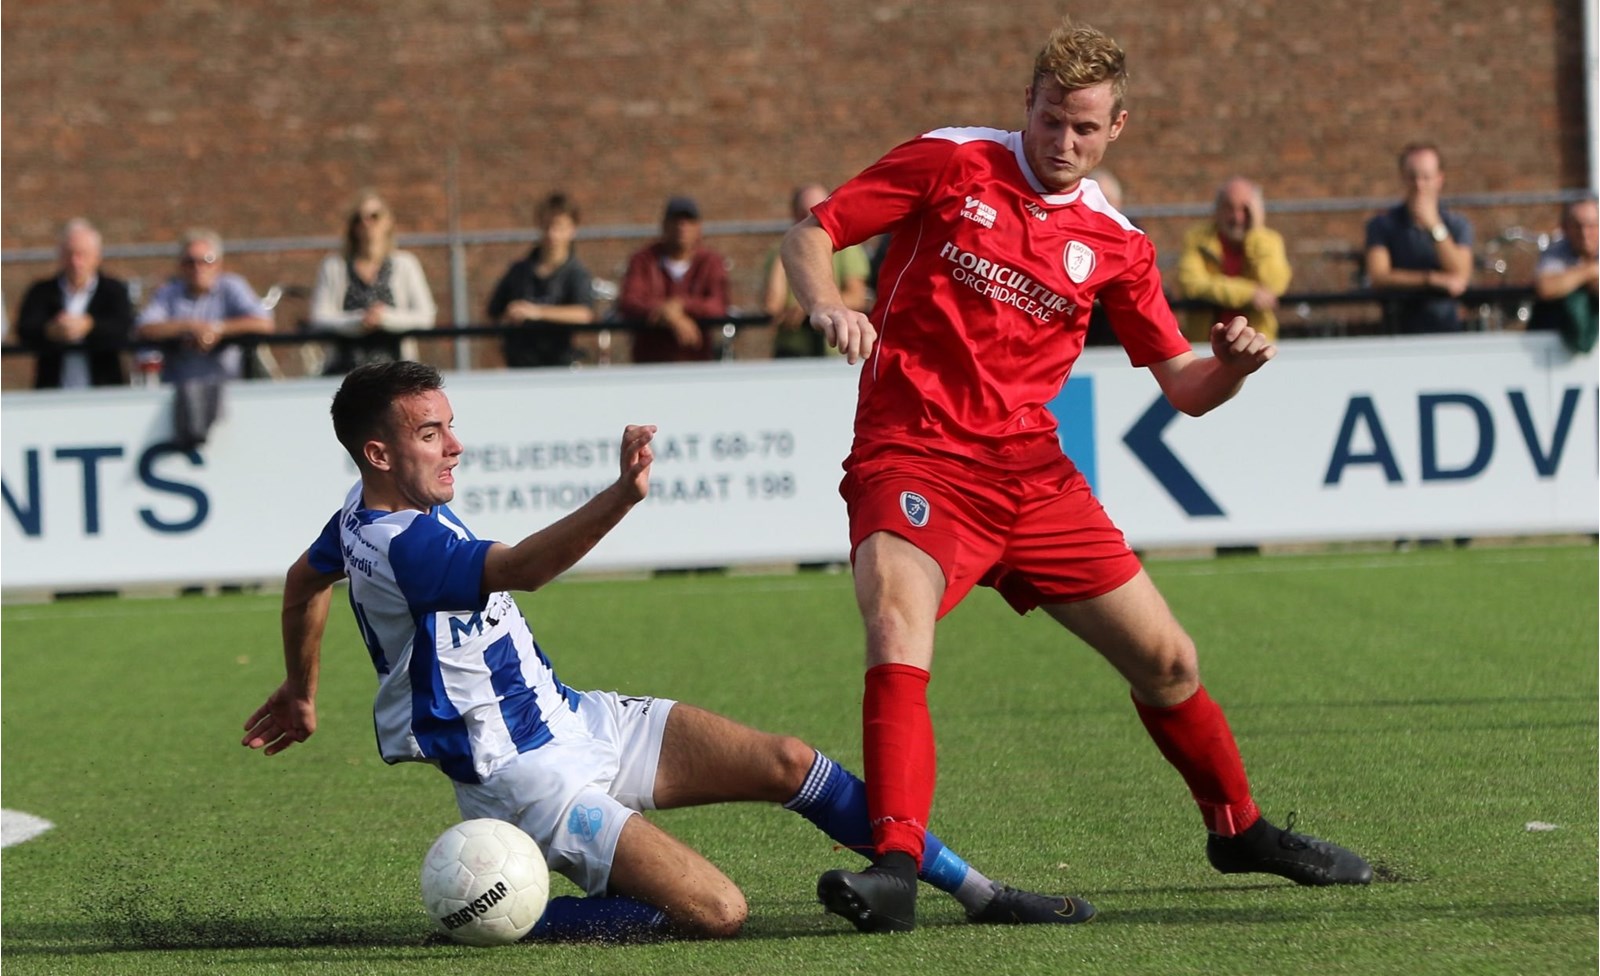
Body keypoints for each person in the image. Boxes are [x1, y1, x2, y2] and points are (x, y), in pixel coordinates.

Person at [780, 17, 1371, 935]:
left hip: (1034, 479)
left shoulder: (1117, 242)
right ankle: (896, 865)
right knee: (896, 622)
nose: (1063, 143)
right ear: (1028, 103)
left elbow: (1184, 387)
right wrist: (826, 301)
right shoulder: (952, 160)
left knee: (1169, 660)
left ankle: (1239, 830)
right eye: (1052, 119)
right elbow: (811, 233)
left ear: (1116, 129)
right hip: (917, 452)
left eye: (1084, 129)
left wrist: (1236, 366)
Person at [241, 360, 1094, 942]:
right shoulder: (401, 544)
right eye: (431, 434)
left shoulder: (361, 516)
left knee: (789, 761)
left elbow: (300, 580)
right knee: (717, 911)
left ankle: (980, 894)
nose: (454, 444)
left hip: (578, 716)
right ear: (378, 452)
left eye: (450, 425)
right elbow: (526, 570)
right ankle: (499, 909)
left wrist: (300, 689)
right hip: (525, 775)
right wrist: (622, 495)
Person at [309, 192, 437, 374]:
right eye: (358, 219)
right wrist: (359, 321)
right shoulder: (334, 266)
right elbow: (319, 317)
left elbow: (426, 316)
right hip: (345, 372)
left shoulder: (405, 264)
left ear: (388, 222)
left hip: (395, 372)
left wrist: (384, 319)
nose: (366, 224)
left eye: (374, 217)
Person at [135, 229, 274, 384]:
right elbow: (144, 327)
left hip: (228, 386)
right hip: (178, 389)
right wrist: (190, 327)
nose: (197, 268)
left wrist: (217, 329)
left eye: (206, 260)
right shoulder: (169, 292)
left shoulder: (232, 286)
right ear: (180, 265)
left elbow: (263, 323)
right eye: (190, 262)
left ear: (218, 263)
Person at [1363, 143, 1475, 333]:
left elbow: (1461, 273)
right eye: (1413, 177)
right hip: (1398, 330)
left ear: (1440, 179)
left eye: (1426, 177)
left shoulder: (1457, 224)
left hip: (1445, 328)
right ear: (1403, 178)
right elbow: (1378, 276)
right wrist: (1430, 279)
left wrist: (1434, 227)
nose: (1419, 185)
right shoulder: (1382, 225)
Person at [14, 218, 135, 388]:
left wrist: (89, 326)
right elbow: (25, 328)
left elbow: (124, 326)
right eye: (69, 254)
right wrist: (51, 331)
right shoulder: (42, 291)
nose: (75, 262)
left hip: (104, 389)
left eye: (82, 254)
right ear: (61, 256)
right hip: (53, 390)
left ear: (97, 256)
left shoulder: (113, 290)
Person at [486, 191, 596, 369]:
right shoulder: (519, 271)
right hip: (519, 365)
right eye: (547, 226)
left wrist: (537, 312)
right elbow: (493, 313)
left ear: (572, 230)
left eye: (559, 227)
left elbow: (584, 314)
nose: (552, 234)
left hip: (558, 365)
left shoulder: (576, 272)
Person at [1175, 177, 1293, 343]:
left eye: (1245, 209)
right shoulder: (1197, 239)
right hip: (1204, 345)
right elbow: (1191, 284)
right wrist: (1249, 294)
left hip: (1257, 345)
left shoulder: (1270, 241)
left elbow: (1274, 286)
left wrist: (1256, 232)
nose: (1237, 217)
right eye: (1229, 208)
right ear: (1216, 210)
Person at [616, 196, 729, 363]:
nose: (682, 227)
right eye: (676, 220)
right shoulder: (644, 260)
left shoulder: (710, 262)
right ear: (664, 225)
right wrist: (669, 316)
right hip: (651, 365)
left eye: (688, 221)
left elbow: (719, 305)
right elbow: (630, 301)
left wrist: (681, 305)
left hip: (697, 363)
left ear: (698, 227)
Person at [763, 184, 870, 358]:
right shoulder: (779, 250)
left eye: (818, 210)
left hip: (835, 350)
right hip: (792, 351)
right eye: (804, 213)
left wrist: (813, 304)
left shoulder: (848, 248)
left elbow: (857, 297)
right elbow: (771, 307)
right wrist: (789, 246)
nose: (811, 218)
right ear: (794, 215)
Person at [1531, 197, 1599, 353]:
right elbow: (1546, 287)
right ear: (1565, 228)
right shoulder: (1556, 251)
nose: (1584, 233)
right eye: (1577, 226)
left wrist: (1571, 280)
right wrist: (1591, 271)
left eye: (1591, 226)